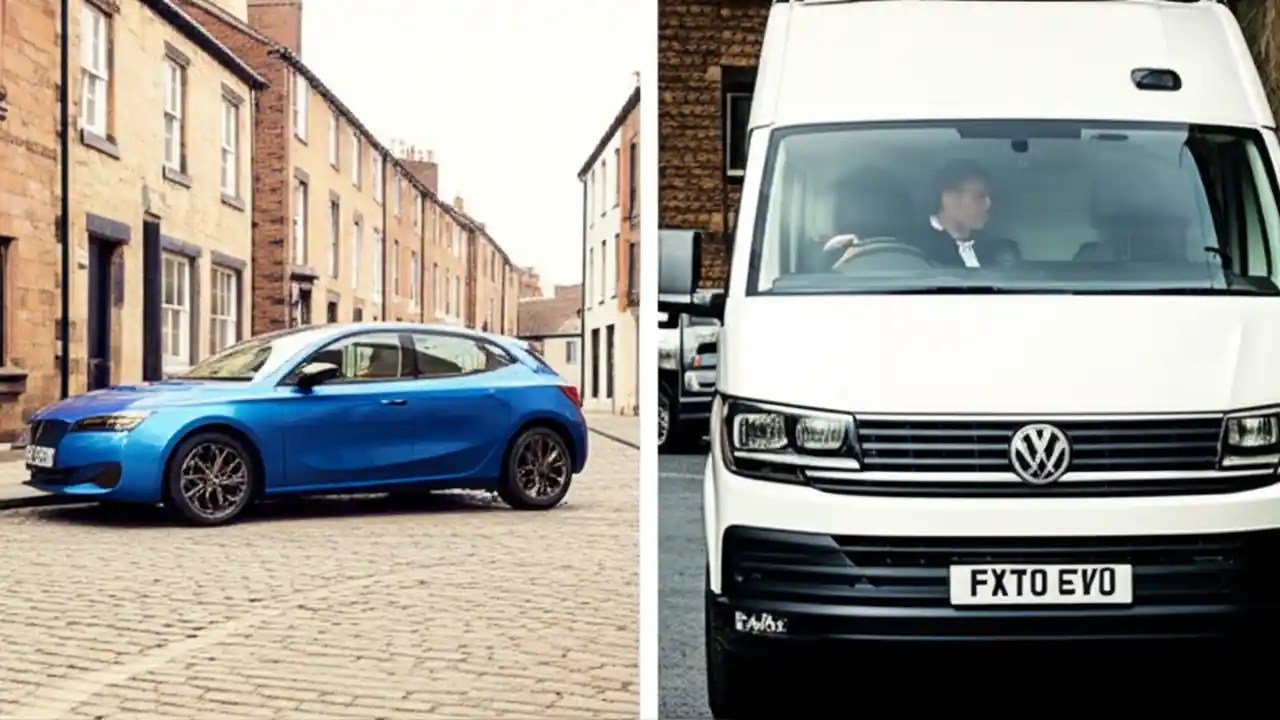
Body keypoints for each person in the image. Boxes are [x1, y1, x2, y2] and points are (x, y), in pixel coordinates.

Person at [910, 158, 1019, 267]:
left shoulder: (999, 252)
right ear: (950, 199)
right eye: (980, 197)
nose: (988, 205)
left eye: (990, 198)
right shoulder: (914, 249)